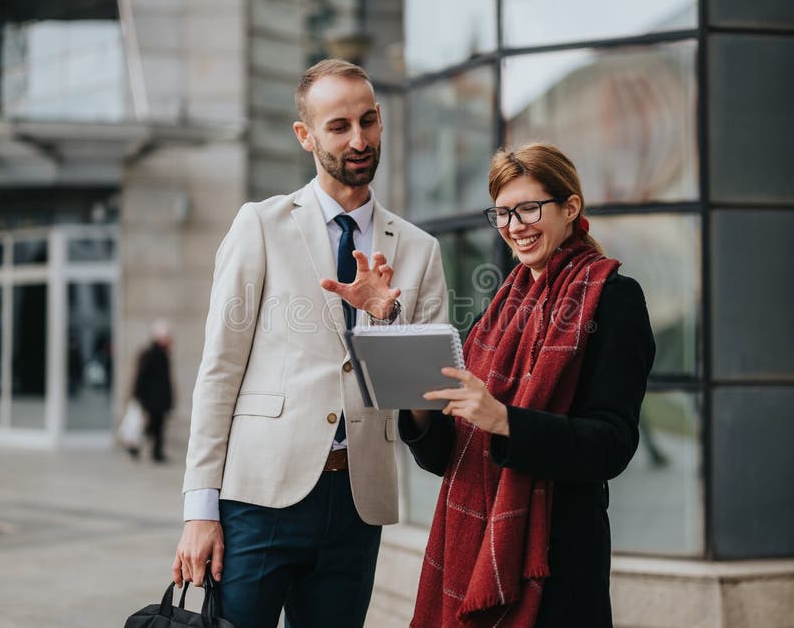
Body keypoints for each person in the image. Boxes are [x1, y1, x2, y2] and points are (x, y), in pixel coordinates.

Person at [172, 59, 448, 628]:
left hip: (357, 502)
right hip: (257, 497)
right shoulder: (261, 226)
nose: (360, 139)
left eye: (369, 120)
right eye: (339, 126)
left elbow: (427, 396)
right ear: (305, 135)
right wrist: (200, 510)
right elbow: (219, 370)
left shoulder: (420, 250)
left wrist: (387, 317)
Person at [401, 143, 655, 627]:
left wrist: (504, 421)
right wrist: (415, 403)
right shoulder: (498, 309)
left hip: (557, 563)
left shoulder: (615, 299)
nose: (515, 225)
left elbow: (612, 445)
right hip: (472, 546)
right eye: (502, 213)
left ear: (571, 208)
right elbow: (445, 458)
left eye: (529, 208)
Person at [133, 319, 174, 463]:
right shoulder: (153, 354)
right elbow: (142, 377)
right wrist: (138, 395)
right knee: (154, 426)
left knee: (155, 427)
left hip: (156, 399)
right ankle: (148, 449)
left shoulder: (160, 354)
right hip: (153, 399)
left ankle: (151, 450)